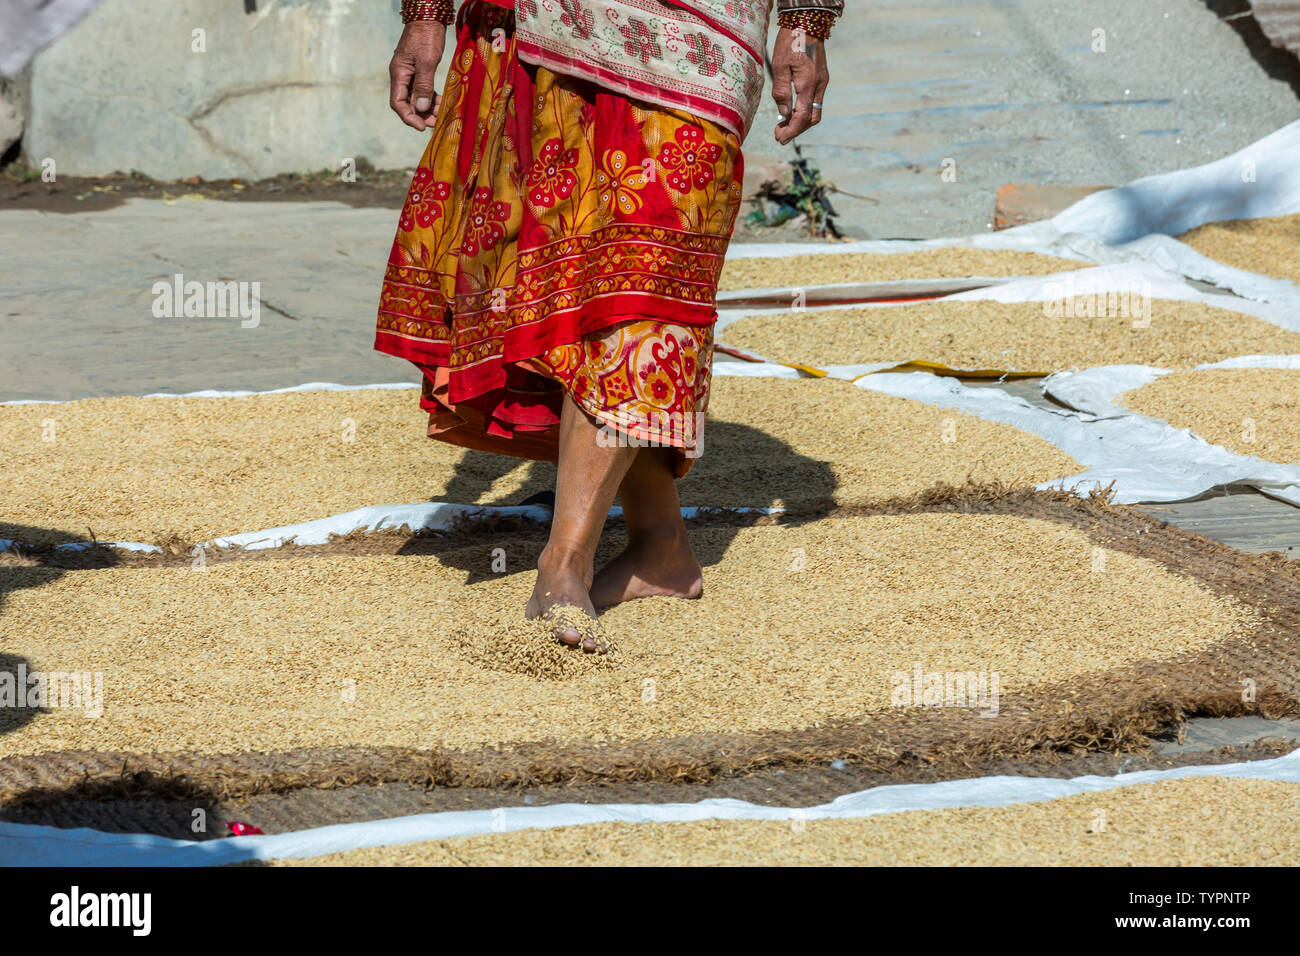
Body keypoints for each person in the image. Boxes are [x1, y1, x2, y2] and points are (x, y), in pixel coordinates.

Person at [378, 0, 842, 651]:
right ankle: (661, 548)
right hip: (539, 24)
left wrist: (807, 19)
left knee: (645, 281)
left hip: (697, 40)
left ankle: (563, 564)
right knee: (570, 282)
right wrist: (427, 12)